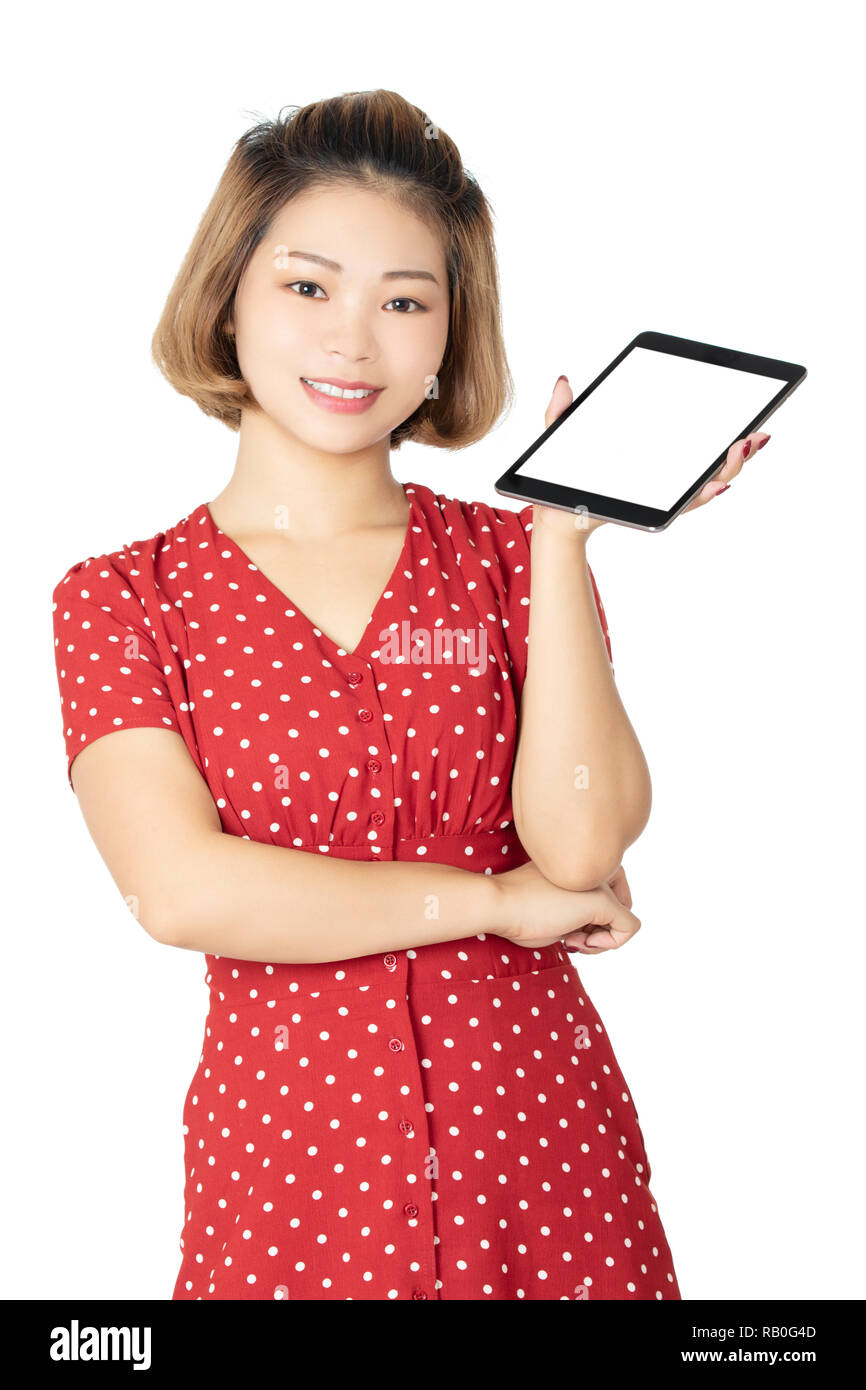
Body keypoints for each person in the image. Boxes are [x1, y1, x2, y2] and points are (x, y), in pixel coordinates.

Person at [51, 89, 765, 1301]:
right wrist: (493, 901)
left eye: (404, 302)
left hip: (539, 1157)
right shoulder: (123, 598)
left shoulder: (506, 561)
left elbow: (583, 841)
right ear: (227, 295)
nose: (353, 341)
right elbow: (178, 890)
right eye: (308, 287)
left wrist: (559, 539)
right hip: (293, 1175)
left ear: (446, 339)